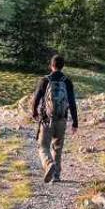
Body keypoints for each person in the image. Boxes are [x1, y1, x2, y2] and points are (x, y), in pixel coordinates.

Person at [31, 53, 78, 183]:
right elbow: (72, 103)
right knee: (57, 147)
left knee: (42, 146)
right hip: (61, 120)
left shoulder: (45, 80)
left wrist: (34, 112)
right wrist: (75, 123)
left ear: (51, 66)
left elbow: (36, 99)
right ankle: (56, 176)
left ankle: (48, 163)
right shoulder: (67, 81)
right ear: (63, 67)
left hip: (46, 120)